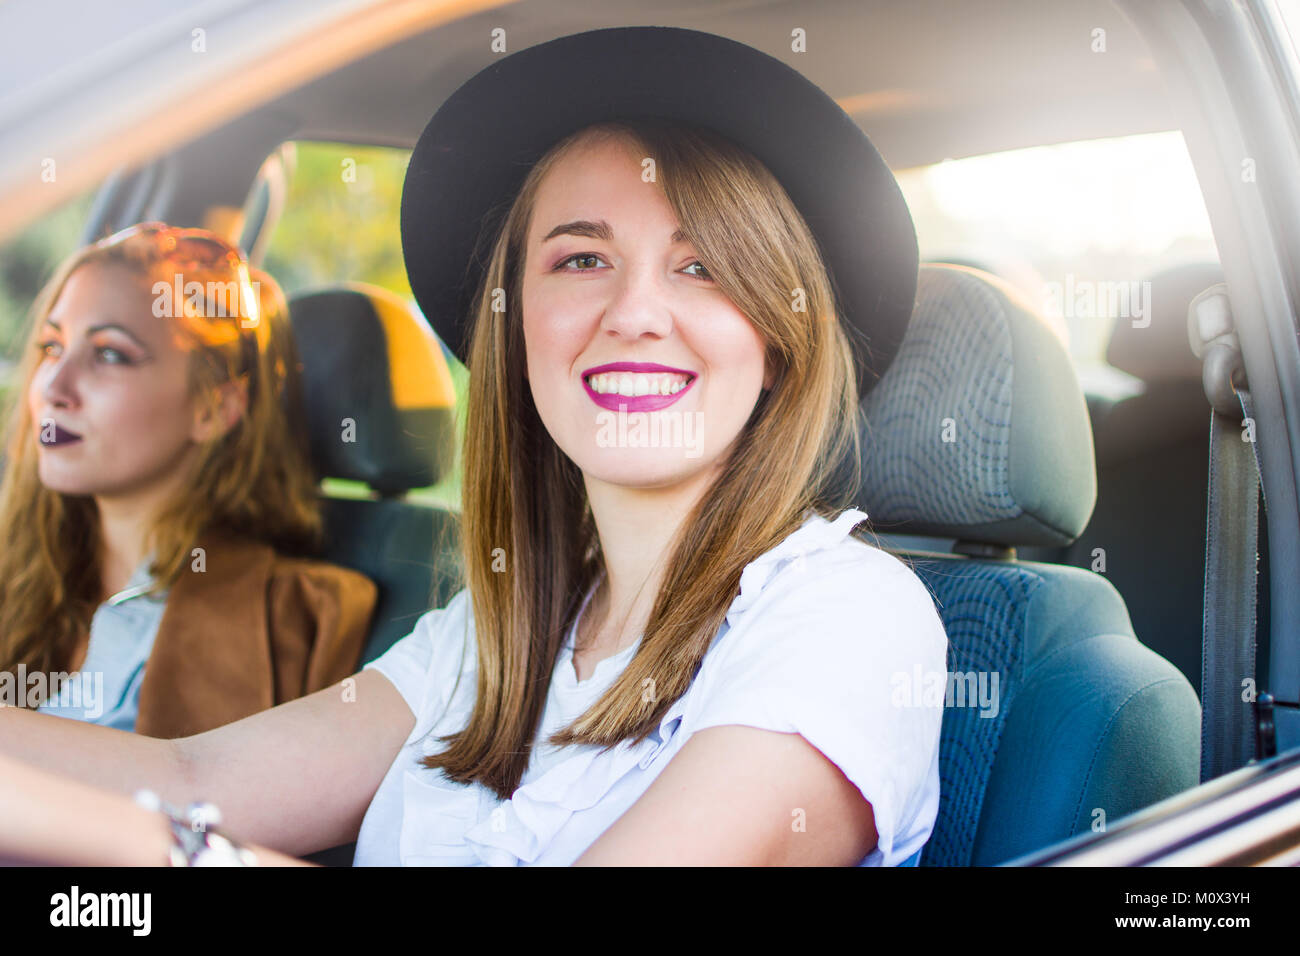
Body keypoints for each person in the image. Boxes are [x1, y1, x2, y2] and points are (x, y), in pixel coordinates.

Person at [0, 27, 947, 867]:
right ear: (516, 323)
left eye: (703, 267)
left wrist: (184, 858)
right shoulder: (486, 636)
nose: (635, 314)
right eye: (582, 258)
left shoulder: (847, 617)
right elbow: (194, 773)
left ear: (778, 348)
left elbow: (180, 821)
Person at [0, 221, 378, 737]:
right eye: (51, 346)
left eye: (110, 354)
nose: (54, 388)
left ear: (213, 406)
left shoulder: (300, 619)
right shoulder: (19, 572)